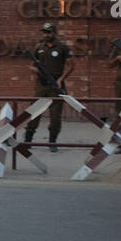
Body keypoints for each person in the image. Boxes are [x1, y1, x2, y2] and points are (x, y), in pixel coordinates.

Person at [25, 22, 73, 152]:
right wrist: (36, 70)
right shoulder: (39, 47)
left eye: (49, 32)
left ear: (54, 33)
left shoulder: (62, 47)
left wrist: (61, 79)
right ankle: (28, 140)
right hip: (41, 85)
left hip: (56, 85)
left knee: (55, 116)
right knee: (35, 112)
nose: (46, 35)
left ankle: (52, 142)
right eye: (44, 32)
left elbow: (71, 65)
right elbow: (31, 65)